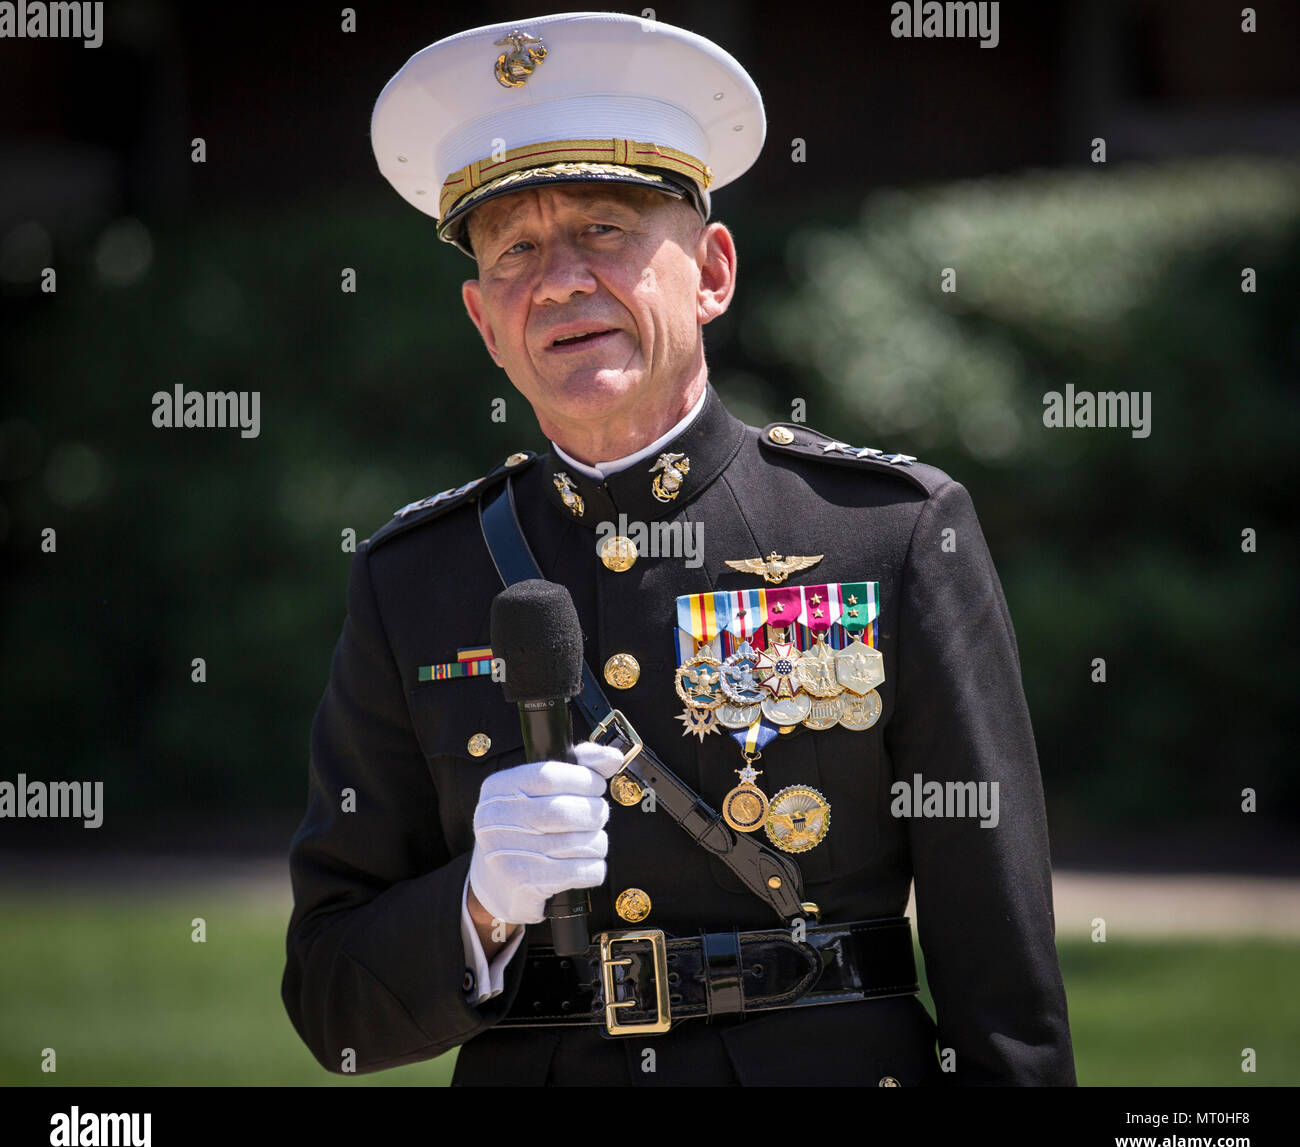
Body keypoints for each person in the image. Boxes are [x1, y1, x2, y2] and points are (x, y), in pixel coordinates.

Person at [281, 11, 1076, 1087]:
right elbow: (333, 1009)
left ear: (709, 271)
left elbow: (1003, 981)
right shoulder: (413, 578)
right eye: (514, 248)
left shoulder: (885, 531)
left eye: (604, 229)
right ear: (483, 319)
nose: (559, 280)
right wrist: (474, 905)